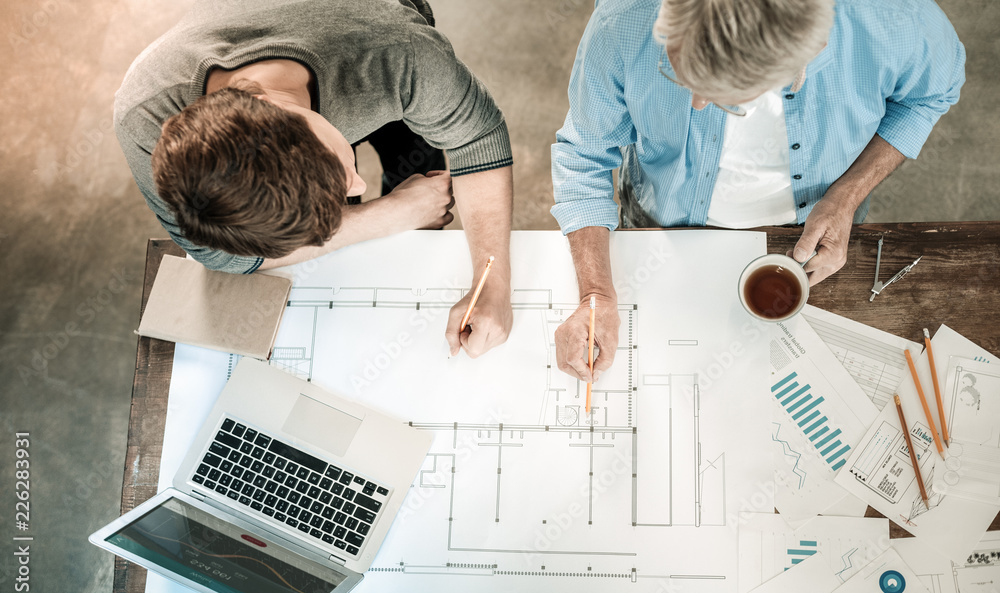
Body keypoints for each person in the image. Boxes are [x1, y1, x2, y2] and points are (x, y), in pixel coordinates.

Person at [550, 0, 965, 382]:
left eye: (726, 98)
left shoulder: (893, 16)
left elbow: (929, 95)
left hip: (816, 226)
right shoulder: (625, 16)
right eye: (676, 71)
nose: (695, 104)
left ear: (808, 55)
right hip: (659, 214)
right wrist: (595, 294)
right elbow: (584, 156)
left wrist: (847, 195)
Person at [114, 0, 513, 357]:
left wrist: (491, 282)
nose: (358, 187)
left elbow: (477, 140)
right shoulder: (145, 119)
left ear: (266, 102)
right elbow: (219, 255)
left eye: (342, 171)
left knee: (409, 148)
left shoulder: (401, 54)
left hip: (363, 39)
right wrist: (389, 214)